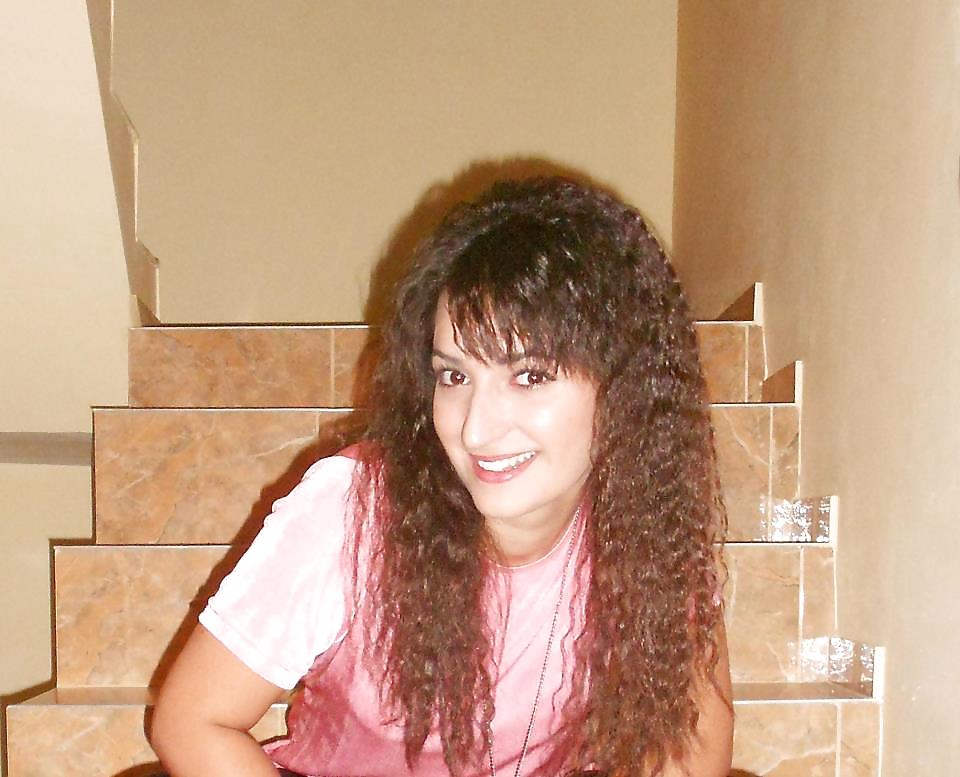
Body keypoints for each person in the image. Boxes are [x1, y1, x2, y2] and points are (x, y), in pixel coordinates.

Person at [151, 176, 733, 777]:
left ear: (623, 389)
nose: (476, 429)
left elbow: (689, 756)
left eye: (529, 376)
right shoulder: (353, 511)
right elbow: (193, 721)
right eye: (455, 377)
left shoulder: (649, 534)